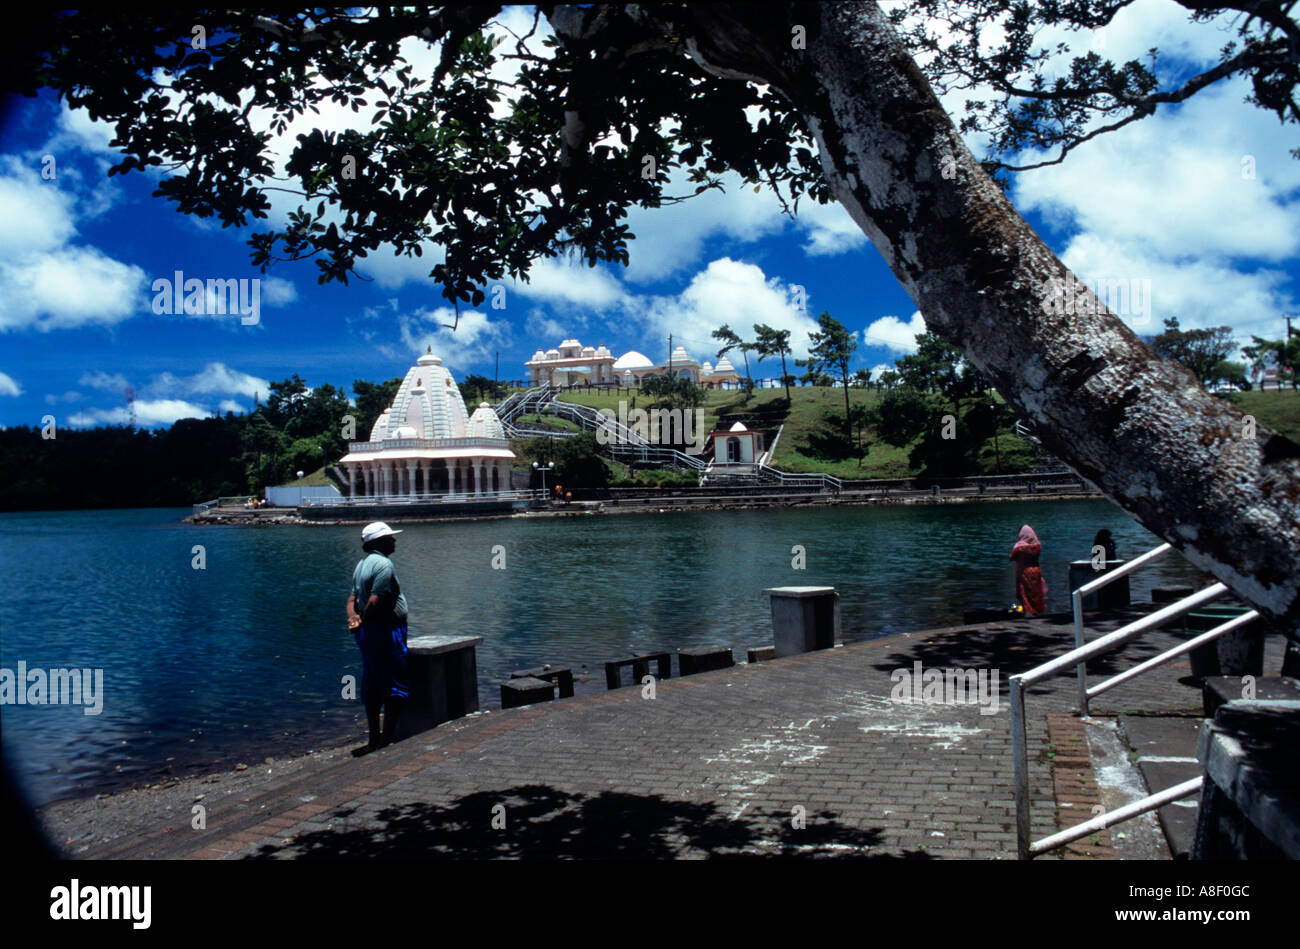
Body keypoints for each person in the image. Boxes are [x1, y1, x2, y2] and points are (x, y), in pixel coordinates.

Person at [346, 522, 409, 753]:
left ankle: (374, 736)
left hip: (368, 632)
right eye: (390, 538)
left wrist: (354, 619)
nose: (394, 541)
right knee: (395, 680)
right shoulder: (384, 564)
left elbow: (352, 598)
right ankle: (387, 738)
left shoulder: (361, 565)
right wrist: (363, 618)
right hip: (386, 630)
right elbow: (375, 600)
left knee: (372, 681)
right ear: (379, 542)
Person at [1010, 524, 1048, 615]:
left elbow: (1011, 557)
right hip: (1035, 571)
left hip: (1024, 572)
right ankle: (1037, 612)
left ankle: (1028, 612)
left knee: (1025, 594)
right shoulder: (1037, 546)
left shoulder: (1019, 547)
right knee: (1035, 593)